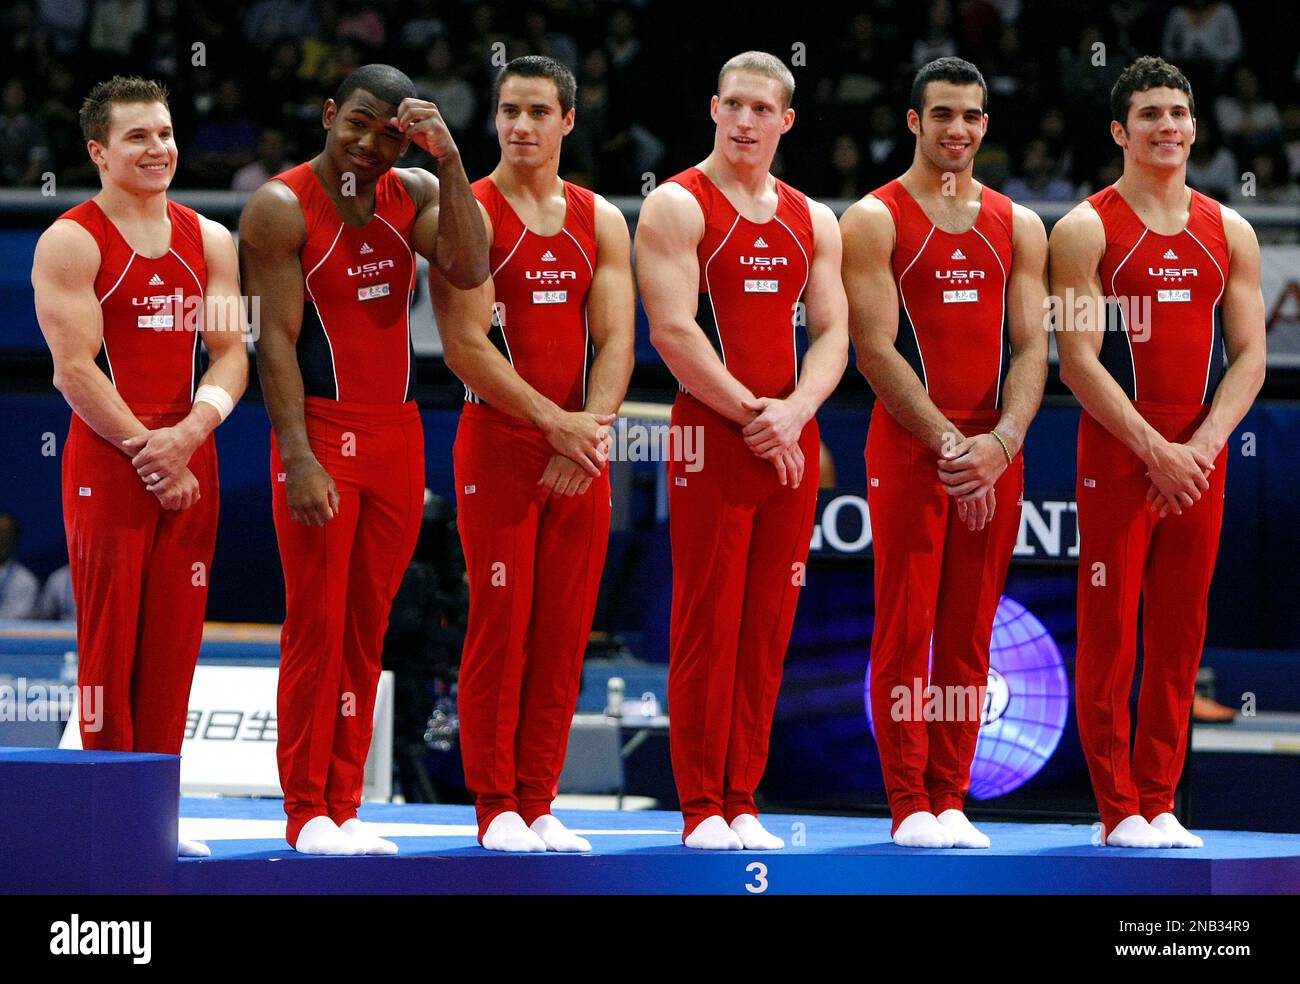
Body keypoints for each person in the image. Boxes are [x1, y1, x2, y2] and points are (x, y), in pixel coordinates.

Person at [240, 63, 488, 856]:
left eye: (390, 133)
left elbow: (471, 266)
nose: (369, 143)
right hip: (321, 431)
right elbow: (274, 343)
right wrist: (298, 455)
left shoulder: (410, 192)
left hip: (399, 435)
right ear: (327, 113)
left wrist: (448, 161)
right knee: (316, 625)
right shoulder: (280, 207)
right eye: (357, 124)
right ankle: (304, 810)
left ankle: (345, 808)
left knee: (369, 627)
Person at [30, 75, 249, 857]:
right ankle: (107, 813)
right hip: (110, 460)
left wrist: (188, 432)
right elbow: (74, 369)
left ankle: (158, 816)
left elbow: (229, 355)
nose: (157, 148)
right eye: (137, 137)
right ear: (99, 151)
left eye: (163, 133)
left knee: (173, 643)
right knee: (109, 642)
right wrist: (148, 450)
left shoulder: (211, 240)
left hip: (190, 456)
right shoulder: (72, 239)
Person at [635, 51, 849, 850]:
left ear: (786, 120)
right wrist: (754, 412)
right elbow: (672, 331)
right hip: (711, 433)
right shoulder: (677, 207)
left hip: (788, 434)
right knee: (707, 624)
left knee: (766, 630)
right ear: (714, 110)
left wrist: (793, 411)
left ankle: (743, 798)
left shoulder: (814, 219)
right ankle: (699, 808)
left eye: (763, 109)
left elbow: (833, 332)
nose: (746, 122)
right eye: (734, 106)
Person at [1050, 56, 1265, 849]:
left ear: (1196, 128)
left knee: (1179, 632)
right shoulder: (1083, 229)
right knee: (1110, 629)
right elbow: (1076, 359)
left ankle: (1161, 797)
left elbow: (1248, 356)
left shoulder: (1229, 228)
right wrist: (1155, 449)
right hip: (1118, 447)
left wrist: (1201, 446)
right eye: (1150, 114)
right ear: (1120, 131)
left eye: (1179, 113)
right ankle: (1116, 810)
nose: (1168, 126)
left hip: (1198, 452)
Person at [428, 55, 634, 852]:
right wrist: (558, 425)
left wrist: (589, 427)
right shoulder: (468, 212)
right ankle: (494, 806)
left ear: (567, 121)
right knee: (500, 623)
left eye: (538, 112)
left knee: (562, 632)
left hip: (580, 445)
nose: (521, 126)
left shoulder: (601, 219)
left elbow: (617, 339)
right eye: (509, 111)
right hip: (502, 444)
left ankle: (541, 798)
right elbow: (465, 346)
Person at [841, 57, 1048, 849]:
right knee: (906, 622)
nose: (956, 129)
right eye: (942, 116)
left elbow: (1033, 347)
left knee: (970, 627)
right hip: (912, 443)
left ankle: (951, 793)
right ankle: (906, 802)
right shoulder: (875, 218)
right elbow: (874, 349)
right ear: (914, 122)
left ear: (985, 126)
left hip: (996, 446)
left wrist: (1001, 441)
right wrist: (950, 441)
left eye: (970, 116)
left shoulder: (1021, 226)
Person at [0, 514, 39, 618]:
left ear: (15, 539)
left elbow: (18, 621)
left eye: (6, 535)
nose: (1, 539)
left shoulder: (26, 581)